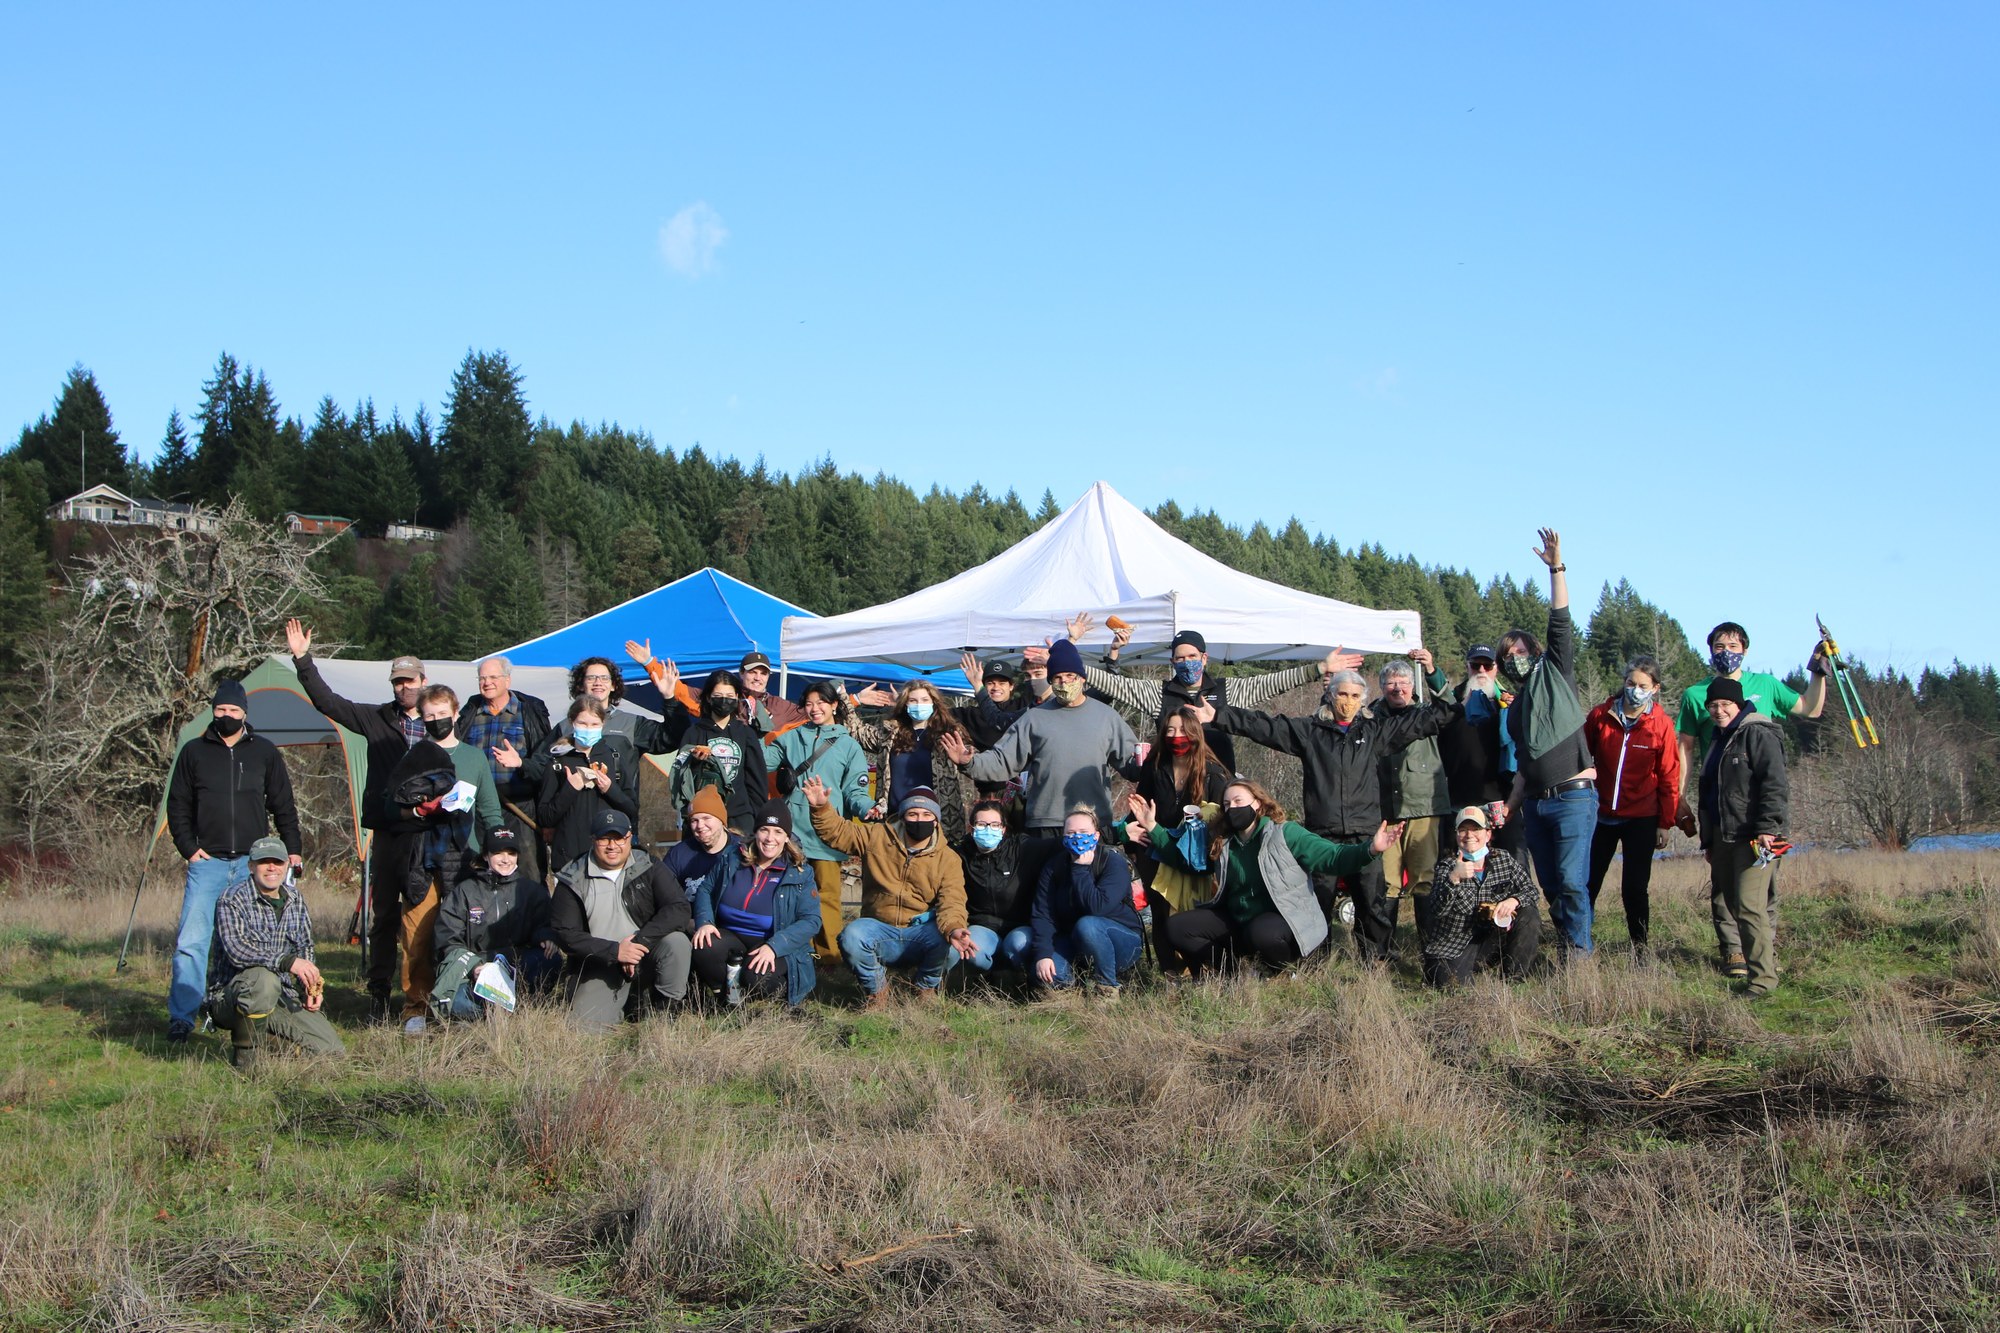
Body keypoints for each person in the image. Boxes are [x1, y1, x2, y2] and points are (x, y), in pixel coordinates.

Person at [1190, 651, 1450, 965]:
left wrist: (1446, 682)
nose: (1348, 701)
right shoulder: (1310, 732)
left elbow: (1435, 717)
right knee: (1318, 905)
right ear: (1329, 695)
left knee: (1372, 905)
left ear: (1363, 699)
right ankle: (1315, 963)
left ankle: (1376, 965)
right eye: (1342, 694)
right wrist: (1218, 716)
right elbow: (1265, 726)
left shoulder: (1375, 732)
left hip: (1365, 834)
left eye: (1355, 695)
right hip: (1323, 836)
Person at [286, 618, 426, 1020]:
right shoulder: (375, 718)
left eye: (409, 681)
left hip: (426, 835)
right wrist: (302, 661)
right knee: (383, 918)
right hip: (387, 832)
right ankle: (379, 992)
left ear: (423, 680)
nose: (404, 688)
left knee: (424, 917)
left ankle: (421, 994)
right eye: (398, 682)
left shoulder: (440, 719)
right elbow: (328, 702)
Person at [1129, 780, 1400, 977]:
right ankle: (1234, 975)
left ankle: (1279, 972)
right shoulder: (1222, 842)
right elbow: (1186, 860)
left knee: (1262, 933)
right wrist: (1152, 826)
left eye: (1238, 801)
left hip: (1284, 922)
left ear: (1257, 803)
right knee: (1177, 927)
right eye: (1226, 803)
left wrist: (1371, 849)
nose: (1231, 807)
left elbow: (1333, 857)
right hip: (1238, 920)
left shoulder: (1285, 834)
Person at [163, 679, 302, 1042]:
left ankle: (247, 1010)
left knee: (252, 942)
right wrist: (188, 847)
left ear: (245, 714)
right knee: (192, 942)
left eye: (233, 711)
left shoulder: (265, 752)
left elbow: (283, 804)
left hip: (251, 865)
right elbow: (177, 804)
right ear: (214, 712)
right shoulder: (194, 752)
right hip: (206, 863)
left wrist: (293, 848)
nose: (226, 716)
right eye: (221, 710)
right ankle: (183, 1016)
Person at [381, 685, 504, 1035]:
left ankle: (460, 1002)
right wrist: (419, 808)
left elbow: (490, 810)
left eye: (441, 713)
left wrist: (496, 849)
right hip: (422, 860)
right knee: (417, 936)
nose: (436, 720)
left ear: (454, 711)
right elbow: (390, 806)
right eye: (429, 716)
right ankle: (415, 1008)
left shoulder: (474, 758)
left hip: (466, 858)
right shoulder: (414, 757)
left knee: (465, 936)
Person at [1079, 618, 1357, 773]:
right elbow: (1112, 684)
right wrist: (1066, 659)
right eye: (1180, 658)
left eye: (1192, 656)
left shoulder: (1227, 691)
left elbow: (1272, 683)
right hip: (1171, 788)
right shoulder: (1157, 694)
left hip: (1218, 788)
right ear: (1172, 663)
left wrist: (1319, 668)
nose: (1187, 662)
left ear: (1204, 658)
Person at [1499, 528, 1597, 957]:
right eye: (1508, 655)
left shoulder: (1555, 673)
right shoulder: (1516, 707)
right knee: (1553, 885)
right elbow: (1523, 766)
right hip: (1536, 804)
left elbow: (1561, 618)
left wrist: (1556, 567)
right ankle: (1567, 949)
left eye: (1521, 650)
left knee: (1573, 882)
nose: (1514, 657)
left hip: (1573, 798)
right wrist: (1511, 807)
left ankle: (1580, 960)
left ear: (1537, 652)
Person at [804, 779, 975, 1007]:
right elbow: (840, 833)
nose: (919, 820)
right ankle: (878, 991)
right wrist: (820, 808)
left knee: (950, 945)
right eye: (913, 814)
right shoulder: (877, 836)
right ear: (903, 816)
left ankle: (924, 987)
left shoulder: (948, 859)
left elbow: (952, 900)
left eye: (926, 815)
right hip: (878, 928)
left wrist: (954, 928)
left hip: (919, 931)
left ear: (936, 821)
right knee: (851, 937)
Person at [942, 638, 1139, 834]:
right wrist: (970, 762)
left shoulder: (1106, 717)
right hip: (1044, 824)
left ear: (1082, 678)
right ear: (1050, 681)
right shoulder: (1033, 718)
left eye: (1070, 676)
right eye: (1057, 678)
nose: (1064, 683)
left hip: (1092, 823)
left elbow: (1133, 765)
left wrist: (1149, 761)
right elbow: (1002, 760)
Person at [550, 809, 695, 1030]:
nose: (612, 845)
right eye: (604, 838)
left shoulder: (648, 865)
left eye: (619, 838)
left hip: (645, 952)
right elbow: (564, 934)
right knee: (584, 1028)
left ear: (629, 837)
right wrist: (615, 951)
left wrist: (639, 943)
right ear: (592, 840)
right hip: (601, 962)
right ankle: (628, 1003)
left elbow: (679, 907)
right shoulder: (572, 878)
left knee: (677, 942)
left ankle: (665, 1013)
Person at [207, 837, 344, 1069]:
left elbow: (305, 946)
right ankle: (246, 1064)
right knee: (263, 979)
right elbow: (237, 951)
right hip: (231, 996)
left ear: (286, 866)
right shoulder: (231, 899)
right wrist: (287, 962)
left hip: (282, 994)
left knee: (332, 1051)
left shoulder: (295, 899)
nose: (272, 868)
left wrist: (309, 987)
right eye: (264, 862)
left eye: (277, 862)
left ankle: (272, 1043)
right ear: (251, 866)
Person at [763, 681, 871, 962]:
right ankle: (787, 954)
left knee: (827, 897)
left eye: (821, 703)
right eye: (809, 704)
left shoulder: (849, 746)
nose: (815, 709)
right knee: (786, 895)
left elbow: (855, 791)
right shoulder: (791, 737)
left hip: (827, 833)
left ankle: (830, 958)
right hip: (792, 833)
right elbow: (760, 762)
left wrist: (868, 809)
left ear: (834, 705)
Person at [1696, 678, 1791, 996]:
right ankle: (1762, 964)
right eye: (1713, 706)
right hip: (1724, 837)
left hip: (1758, 838)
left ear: (1739, 705)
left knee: (1752, 906)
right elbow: (1709, 791)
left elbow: (1774, 784)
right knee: (1737, 905)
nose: (1718, 711)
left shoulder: (1758, 732)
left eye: (1725, 705)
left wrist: (1768, 827)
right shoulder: (1718, 738)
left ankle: (1763, 981)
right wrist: (1708, 839)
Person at [1582, 656, 1683, 953]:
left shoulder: (1661, 725)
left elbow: (1669, 775)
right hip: (1600, 814)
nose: (1635, 690)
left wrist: (1666, 822)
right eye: (1630, 683)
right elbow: (1579, 755)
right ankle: (1580, 942)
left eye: (1642, 685)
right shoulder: (1600, 715)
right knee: (1588, 883)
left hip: (1642, 816)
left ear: (1655, 688)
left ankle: (1639, 947)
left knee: (1635, 888)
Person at [1127, 707, 1233, 973]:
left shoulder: (1213, 773)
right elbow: (1138, 808)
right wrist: (1132, 838)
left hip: (1194, 858)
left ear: (1195, 734)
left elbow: (1223, 818)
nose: (1176, 736)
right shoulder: (1154, 766)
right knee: (1161, 914)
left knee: (1188, 914)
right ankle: (1170, 975)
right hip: (1154, 852)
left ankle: (1201, 971)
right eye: (1170, 730)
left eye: (1183, 730)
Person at [688, 800, 821, 1010]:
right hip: (731, 936)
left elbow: (812, 921)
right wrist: (705, 921)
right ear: (755, 833)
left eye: (778, 832)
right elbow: (705, 889)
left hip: (773, 942)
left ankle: (782, 998)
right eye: (764, 830)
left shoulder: (800, 872)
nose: (770, 838)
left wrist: (774, 946)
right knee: (703, 945)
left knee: (756, 977)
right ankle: (728, 997)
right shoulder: (732, 857)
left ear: (787, 837)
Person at [431, 828, 558, 1021]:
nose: (506, 859)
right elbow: (447, 938)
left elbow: (544, 923)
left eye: (511, 853)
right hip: (477, 968)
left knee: (551, 959)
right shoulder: (465, 891)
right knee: (454, 1002)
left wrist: (545, 937)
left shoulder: (531, 890)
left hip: (516, 965)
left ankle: (518, 1007)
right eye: (498, 853)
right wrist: (475, 966)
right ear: (485, 855)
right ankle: (493, 1012)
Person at [1676, 621, 1830, 777]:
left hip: (1760, 785)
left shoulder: (1765, 684)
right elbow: (1686, 747)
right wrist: (1680, 796)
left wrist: (1818, 671)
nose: (1726, 652)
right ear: (1711, 651)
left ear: (1745, 651)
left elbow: (1811, 709)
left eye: (1733, 646)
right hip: (1717, 788)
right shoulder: (1695, 694)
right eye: (1719, 646)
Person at [1374, 653, 1456, 947]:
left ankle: (1431, 951)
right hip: (1385, 812)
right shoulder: (1370, 717)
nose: (1398, 688)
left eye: (1404, 682)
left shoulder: (1426, 714)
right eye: (1392, 682)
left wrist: (1431, 668)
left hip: (1423, 809)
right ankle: (1381, 956)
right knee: (1387, 884)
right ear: (1382, 686)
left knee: (1424, 879)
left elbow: (1450, 708)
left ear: (1413, 686)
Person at [454, 656, 552, 882]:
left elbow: (545, 763)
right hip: (478, 808)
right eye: (482, 678)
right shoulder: (470, 714)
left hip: (520, 807)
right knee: (477, 870)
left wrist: (520, 763)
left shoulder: (529, 713)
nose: (487, 682)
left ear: (507, 680)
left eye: (493, 677)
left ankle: (533, 916)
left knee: (528, 873)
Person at [1030, 807, 1144, 999]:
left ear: (1096, 835)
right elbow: (1043, 913)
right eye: (1071, 833)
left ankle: (1106, 988)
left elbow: (1098, 907)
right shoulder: (1054, 867)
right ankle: (1079, 980)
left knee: (1088, 925)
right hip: (1073, 940)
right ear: (1063, 836)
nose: (1077, 838)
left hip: (1121, 940)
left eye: (1084, 833)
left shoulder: (1112, 862)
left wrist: (1080, 870)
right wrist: (1043, 954)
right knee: (1046, 975)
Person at [1422, 807, 1541, 986]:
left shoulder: (1503, 859)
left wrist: (1513, 901)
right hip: (1455, 945)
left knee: (1529, 914)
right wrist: (1454, 878)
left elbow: (1531, 891)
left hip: (1492, 940)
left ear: (1488, 834)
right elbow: (1437, 911)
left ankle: (1514, 981)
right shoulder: (1446, 867)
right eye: (1463, 830)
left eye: (1476, 829)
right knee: (1454, 989)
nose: (1469, 835)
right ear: (1456, 836)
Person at [851, 680, 977, 845]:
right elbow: (854, 730)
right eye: (913, 700)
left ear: (934, 703)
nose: (919, 705)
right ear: (904, 704)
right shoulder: (890, 733)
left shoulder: (950, 734)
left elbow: (972, 763)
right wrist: (856, 699)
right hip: (896, 819)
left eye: (925, 700)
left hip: (938, 822)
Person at [537, 697, 642, 873]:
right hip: (569, 859)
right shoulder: (557, 761)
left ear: (602, 724)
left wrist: (610, 789)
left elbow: (631, 809)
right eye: (583, 724)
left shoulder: (614, 758)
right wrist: (570, 789)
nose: (588, 729)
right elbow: (545, 817)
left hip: (608, 857)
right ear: (572, 722)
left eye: (594, 724)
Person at [956, 800, 1059, 977]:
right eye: (981, 824)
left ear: (1003, 829)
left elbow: (1061, 843)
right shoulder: (960, 855)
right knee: (973, 953)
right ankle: (988, 976)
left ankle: (1019, 977)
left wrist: (1113, 833)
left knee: (1019, 945)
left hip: (1019, 926)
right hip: (982, 926)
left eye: (995, 825)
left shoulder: (1021, 848)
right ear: (971, 828)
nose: (988, 829)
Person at [663, 670, 768, 833]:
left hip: (739, 818)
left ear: (737, 698)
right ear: (708, 697)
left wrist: (758, 818)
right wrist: (696, 762)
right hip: (702, 818)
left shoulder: (746, 733)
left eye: (730, 695)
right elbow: (679, 778)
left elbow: (757, 780)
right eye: (718, 695)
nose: (724, 700)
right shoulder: (693, 733)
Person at [1440, 646, 1518, 857]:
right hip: (1459, 803)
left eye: (1488, 665)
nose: (1481, 670)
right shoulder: (1452, 704)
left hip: (1501, 804)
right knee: (1455, 870)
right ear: (1467, 667)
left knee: (1511, 866)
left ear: (1497, 668)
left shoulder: (1511, 704)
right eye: (1475, 665)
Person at [953, 655, 1030, 798]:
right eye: (990, 683)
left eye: (1002, 683)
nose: (996, 687)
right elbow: (937, 713)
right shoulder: (972, 714)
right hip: (988, 793)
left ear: (1011, 686)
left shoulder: (1023, 707)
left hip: (1021, 792)